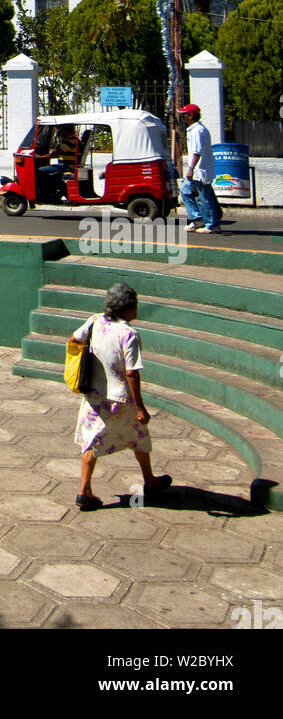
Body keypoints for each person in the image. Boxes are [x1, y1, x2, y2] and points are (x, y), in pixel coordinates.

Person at [70, 282, 173, 510]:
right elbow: (131, 374)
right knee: (137, 435)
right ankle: (146, 482)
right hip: (120, 400)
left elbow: (74, 339)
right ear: (127, 309)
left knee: (93, 440)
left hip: (95, 396)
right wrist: (141, 408)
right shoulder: (129, 334)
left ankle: (88, 489)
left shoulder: (95, 321)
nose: (137, 309)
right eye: (135, 305)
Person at [178, 103, 222, 234]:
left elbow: (197, 152)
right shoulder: (194, 129)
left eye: (184, 114)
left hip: (199, 170)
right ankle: (197, 219)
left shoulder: (198, 131)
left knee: (203, 197)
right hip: (196, 170)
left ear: (190, 115)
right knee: (185, 191)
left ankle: (212, 225)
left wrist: (191, 168)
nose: (183, 117)